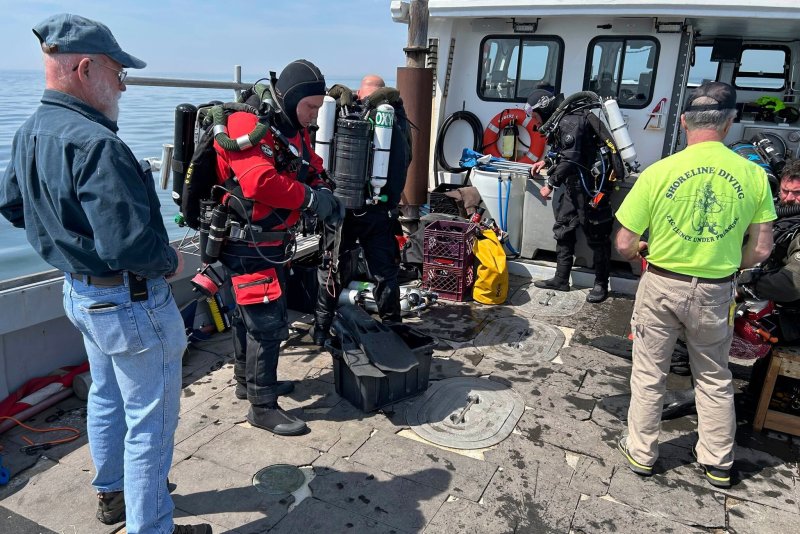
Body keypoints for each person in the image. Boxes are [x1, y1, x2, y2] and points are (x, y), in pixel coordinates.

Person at [0, 14, 209, 534]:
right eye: (118, 72)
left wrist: (65, 243)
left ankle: (112, 496)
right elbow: (131, 245)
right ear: (86, 68)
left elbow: (12, 204)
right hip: (131, 305)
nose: (122, 84)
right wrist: (175, 263)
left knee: (106, 396)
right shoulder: (97, 143)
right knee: (151, 426)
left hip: (79, 296)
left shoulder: (30, 132)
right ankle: (151, 527)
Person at [613, 81, 776, 489]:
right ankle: (718, 461)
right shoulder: (754, 177)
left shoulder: (658, 172)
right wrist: (723, 264)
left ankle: (642, 452)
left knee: (650, 373)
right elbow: (760, 249)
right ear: (729, 123)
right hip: (717, 289)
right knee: (714, 375)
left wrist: (641, 252)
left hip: (662, 284)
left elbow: (623, 243)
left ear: (684, 121)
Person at [215, 59, 343, 436]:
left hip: (269, 242)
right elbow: (258, 184)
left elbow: (310, 163)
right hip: (248, 243)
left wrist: (324, 188)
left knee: (248, 317)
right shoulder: (246, 125)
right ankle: (263, 406)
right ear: (290, 99)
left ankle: (247, 381)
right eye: (310, 107)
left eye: (319, 108)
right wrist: (309, 199)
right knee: (268, 326)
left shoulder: (291, 127)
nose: (313, 115)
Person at [311, 74, 412, 345]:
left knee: (331, 268)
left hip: (339, 208)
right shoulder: (395, 120)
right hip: (377, 210)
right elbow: (405, 160)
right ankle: (392, 329)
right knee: (384, 272)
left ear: (359, 92)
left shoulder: (340, 113)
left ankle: (321, 330)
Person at [526, 88, 621, 303]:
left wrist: (550, 183)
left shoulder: (571, 120)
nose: (534, 120)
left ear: (544, 107)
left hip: (591, 187)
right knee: (564, 229)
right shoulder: (565, 120)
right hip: (574, 185)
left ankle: (600, 284)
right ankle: (561, 278)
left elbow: (571, 158)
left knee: (597, 236)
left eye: (534, 114)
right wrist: (546, 162)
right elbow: (561, 151)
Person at [751, 159, 800, 303]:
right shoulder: (772, 211)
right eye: (785, 191)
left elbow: (792, 284)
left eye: (797, 193)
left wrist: (745, 286)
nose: (789, 198)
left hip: (785, 312)